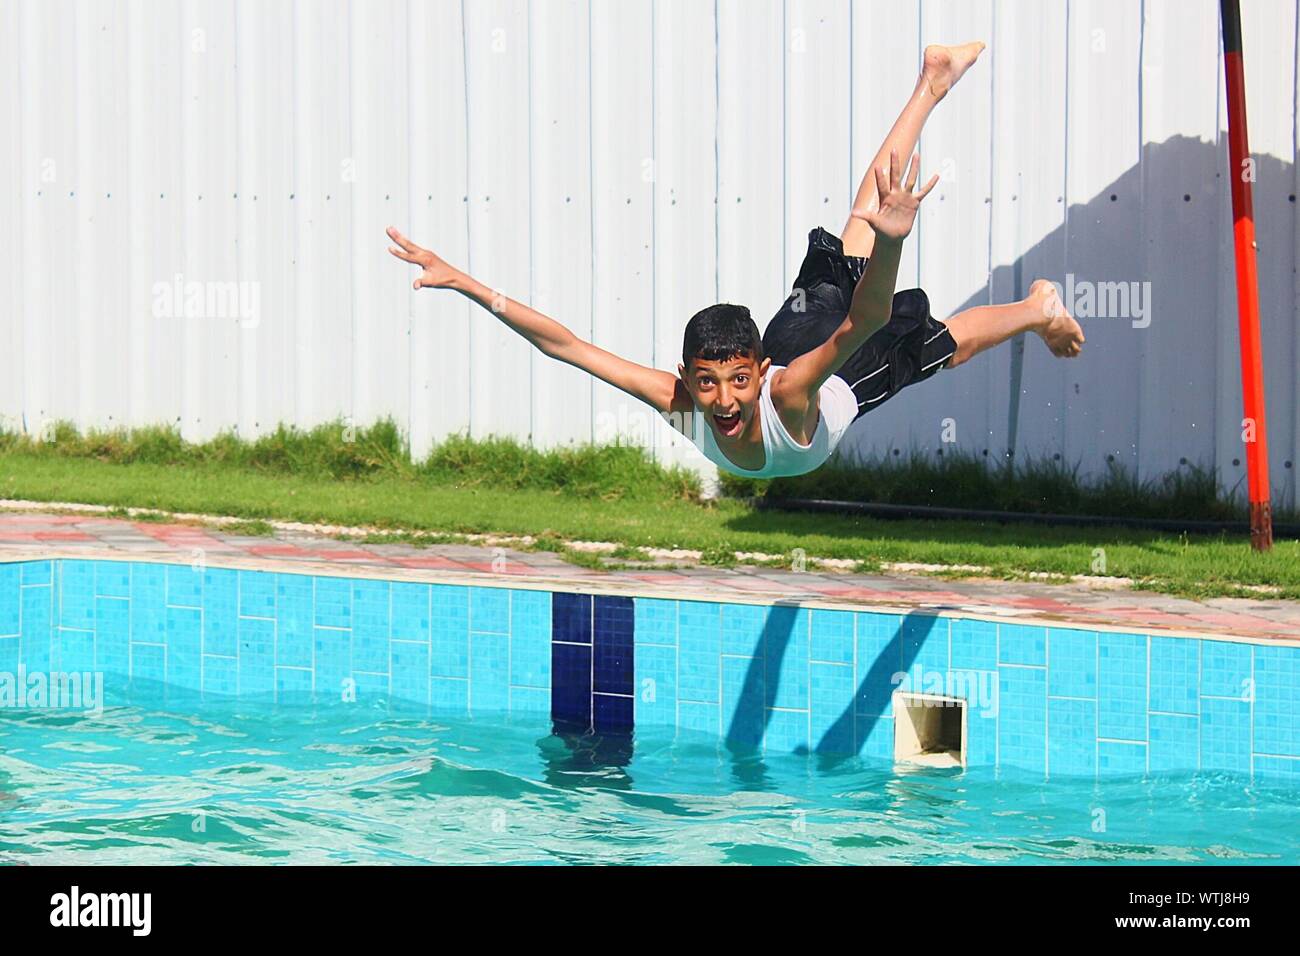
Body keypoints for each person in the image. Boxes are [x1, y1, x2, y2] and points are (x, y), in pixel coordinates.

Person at [386, 41, 1084, 479]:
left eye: (735, 380)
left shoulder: (786, 393)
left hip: (836, 368)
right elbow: (564, 346)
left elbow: (865, 321)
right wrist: (464, 283)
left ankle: (1036, 308)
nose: (723, 401)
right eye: (710, 382)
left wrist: (898, 238)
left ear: (757, 370)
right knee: (852, 238)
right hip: (789, 335)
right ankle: (929, 83)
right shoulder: (680, 400)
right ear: (689, 374)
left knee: (935, 344)